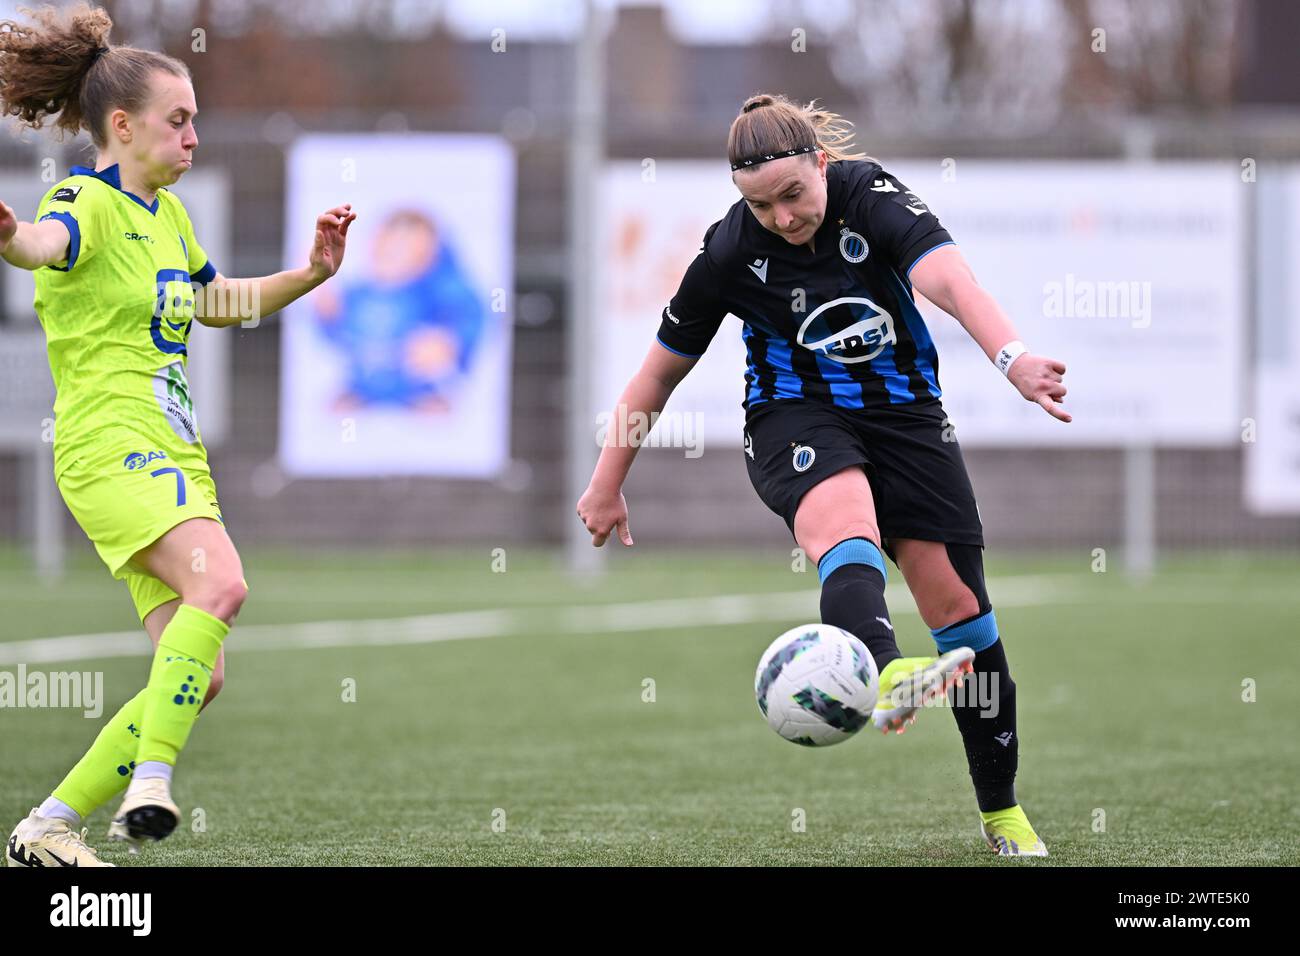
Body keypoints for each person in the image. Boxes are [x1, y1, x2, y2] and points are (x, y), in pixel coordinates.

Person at [577, 93, 1069, 857]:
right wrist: (607, 482)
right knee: (846, 524)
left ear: (822, 164)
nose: (780, 217)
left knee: (967, 620)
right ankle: (884, 664)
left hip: (907, 417)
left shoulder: (870, 196)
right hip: (792, 416)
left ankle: (1001, 812)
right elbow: (654, 381)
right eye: (760, 204)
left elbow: (950, 281)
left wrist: (1014, 359)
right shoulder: (730, 251)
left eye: (792, 195)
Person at [0, 2, 355, 866]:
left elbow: (216, 302)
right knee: (223, 584)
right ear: (122, 127)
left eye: (195, 120)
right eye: (179, 120)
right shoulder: (84, 197)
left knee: (202, 672)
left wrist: (311, 274)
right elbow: (48, 244)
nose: (194, 136)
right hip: (110, 444)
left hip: (171, 452)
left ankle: (46, 825)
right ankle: (150, 784)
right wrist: (13, 239)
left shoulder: (170, 216)